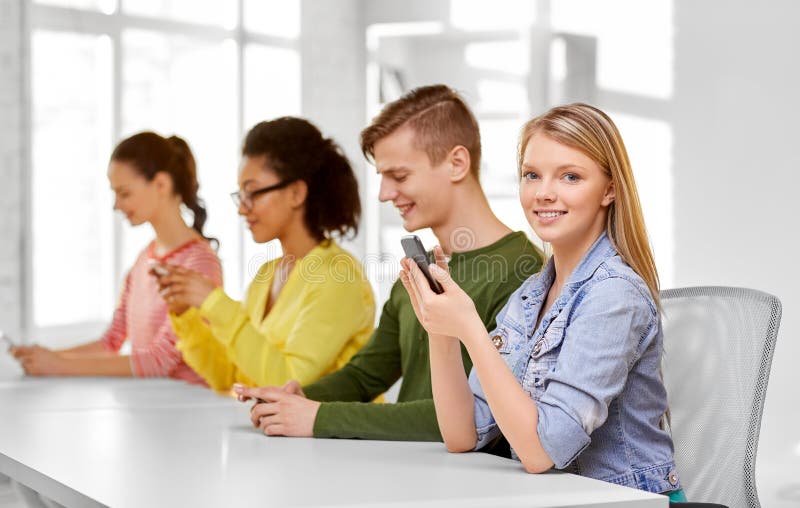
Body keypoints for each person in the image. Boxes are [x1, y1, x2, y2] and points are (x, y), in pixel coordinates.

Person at [399, 103, 686, 500]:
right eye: (532, 175)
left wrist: (470, 328)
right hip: (556, 499)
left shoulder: (614, 294)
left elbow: (541, 452)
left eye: (570, 176)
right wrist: (442, 332)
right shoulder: (532, 293)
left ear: (609, 189)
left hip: (626, 500)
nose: (543, 193)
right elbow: (462, 433)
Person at [234, 84, 544, 441]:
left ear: (457, 163)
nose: (383, 194)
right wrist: (297, 399)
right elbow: (366, 375)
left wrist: (319, 417)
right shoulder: (418, 271)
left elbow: (476, 415)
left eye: (399, 176)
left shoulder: (523, 273)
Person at [157, 117, 375, 393]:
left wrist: (214, 302)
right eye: (241, 195)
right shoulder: (267, 275)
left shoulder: (339, 277)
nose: (242, 209)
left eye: (252, 192)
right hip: (275, 435)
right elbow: (231, 377)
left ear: (296, 193)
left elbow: (290, 383)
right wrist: (186, 314)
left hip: (332, 436)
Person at [12, 132, 221, 384]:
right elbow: (111, 341)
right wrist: (45, 357)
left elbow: (160, 361)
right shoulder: (144, 259)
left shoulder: (199, 264)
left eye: (124, 193)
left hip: (189, 409)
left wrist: (58, 365)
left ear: (161, 185)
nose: (116, 205)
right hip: (152, 406)